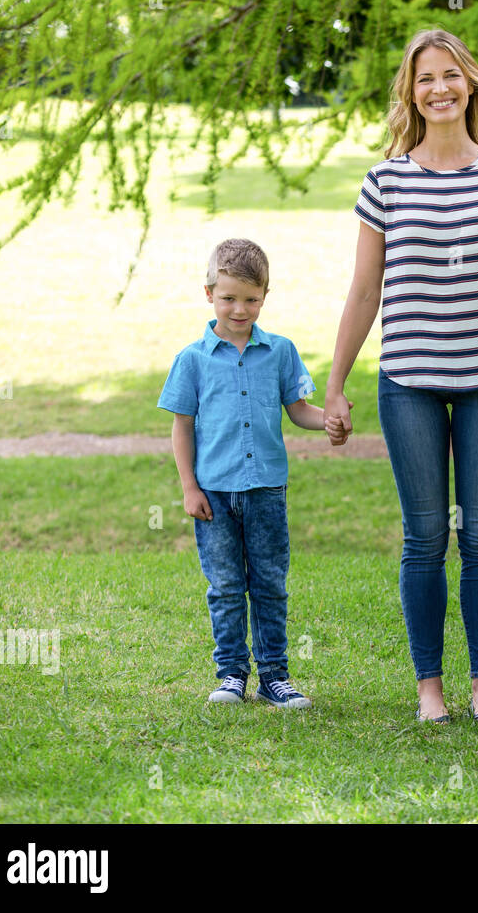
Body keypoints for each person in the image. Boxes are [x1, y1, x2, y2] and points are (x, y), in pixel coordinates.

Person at [324, 29, 478, 726]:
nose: (440, 89)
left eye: (451, 75)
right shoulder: (385, 181)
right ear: (412, 92)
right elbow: (363, 290)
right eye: (426, 78)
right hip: (408, 384)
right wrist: (337, 383)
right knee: (425, 536)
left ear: (471, 85)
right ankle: (430, 687)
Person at [158, 238, 327, 708]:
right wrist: (189, 487)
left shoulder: (280, 352)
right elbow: (182, 427)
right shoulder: (191, 360)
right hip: (213, 492)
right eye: (229, 297)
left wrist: (328, 422)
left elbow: (298, 409)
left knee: (270, 583)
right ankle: (231, 673)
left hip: (267, 491)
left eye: (251, 299)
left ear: (265, 297)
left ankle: (275, 676)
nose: (240, 308)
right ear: (209, 292)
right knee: (226, 586)